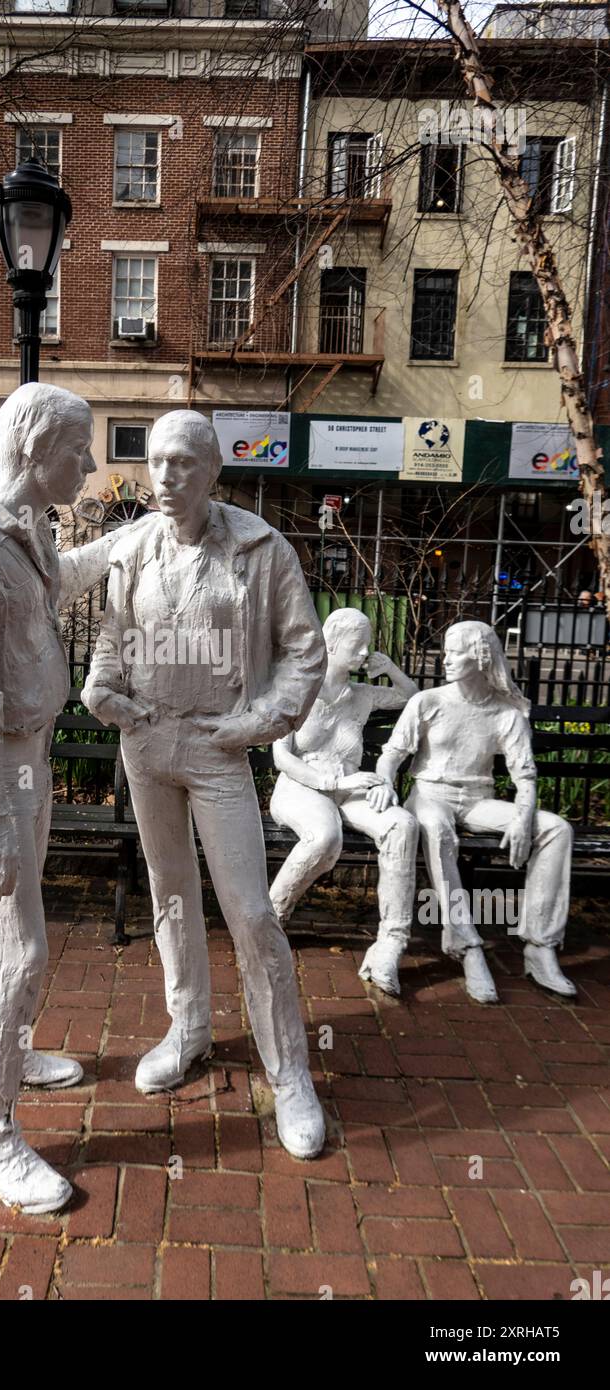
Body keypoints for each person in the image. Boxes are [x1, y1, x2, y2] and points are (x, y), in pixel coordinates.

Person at [82, 409, 329, 1159]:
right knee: (170, 893)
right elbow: (112, 642)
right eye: (157, 461)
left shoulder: (259, 547)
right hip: (147, 743)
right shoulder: (132, 551)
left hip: (222, 745)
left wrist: (260, 723)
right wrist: (101, 689)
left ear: (213, 470)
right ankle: (188, 1025)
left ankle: (289, 1071)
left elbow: (305, 652)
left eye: (184, 462)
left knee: (251, 912)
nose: (166, 477)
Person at [0, 382, 122, 1215]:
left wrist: (130, 542)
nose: (88, 463)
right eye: (78, 450)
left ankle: (10, 1051)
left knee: (1, 942)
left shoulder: (25, 529)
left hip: (29, 759)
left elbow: (58, 585)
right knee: (21, 949)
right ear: (36, 450)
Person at [374, 620, 576, 1003]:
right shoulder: (428, 701)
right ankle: (467, 946)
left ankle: (540, 946)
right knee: (435, 828)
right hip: (430, 795)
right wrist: (385, 783)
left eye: (454, 652)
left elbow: (525, 776)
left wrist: (521, 817)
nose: (445, 659)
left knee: (556, 829)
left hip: (478, 800)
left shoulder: (506, 713)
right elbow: (392, 756)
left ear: (481, 657)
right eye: (446, 651)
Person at [268, 608, 419, 997]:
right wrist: (333, 780)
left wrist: (390, 669)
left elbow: (414, 700)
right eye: (360, 642)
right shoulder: (298, 688)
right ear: (332, 643)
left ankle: (390, 944)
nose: (366, 650)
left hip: (351, 788)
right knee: (324, 837)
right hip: (301, 786)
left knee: (401, 825)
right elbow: (281, 757)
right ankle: (269, 922)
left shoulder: (363, 695)